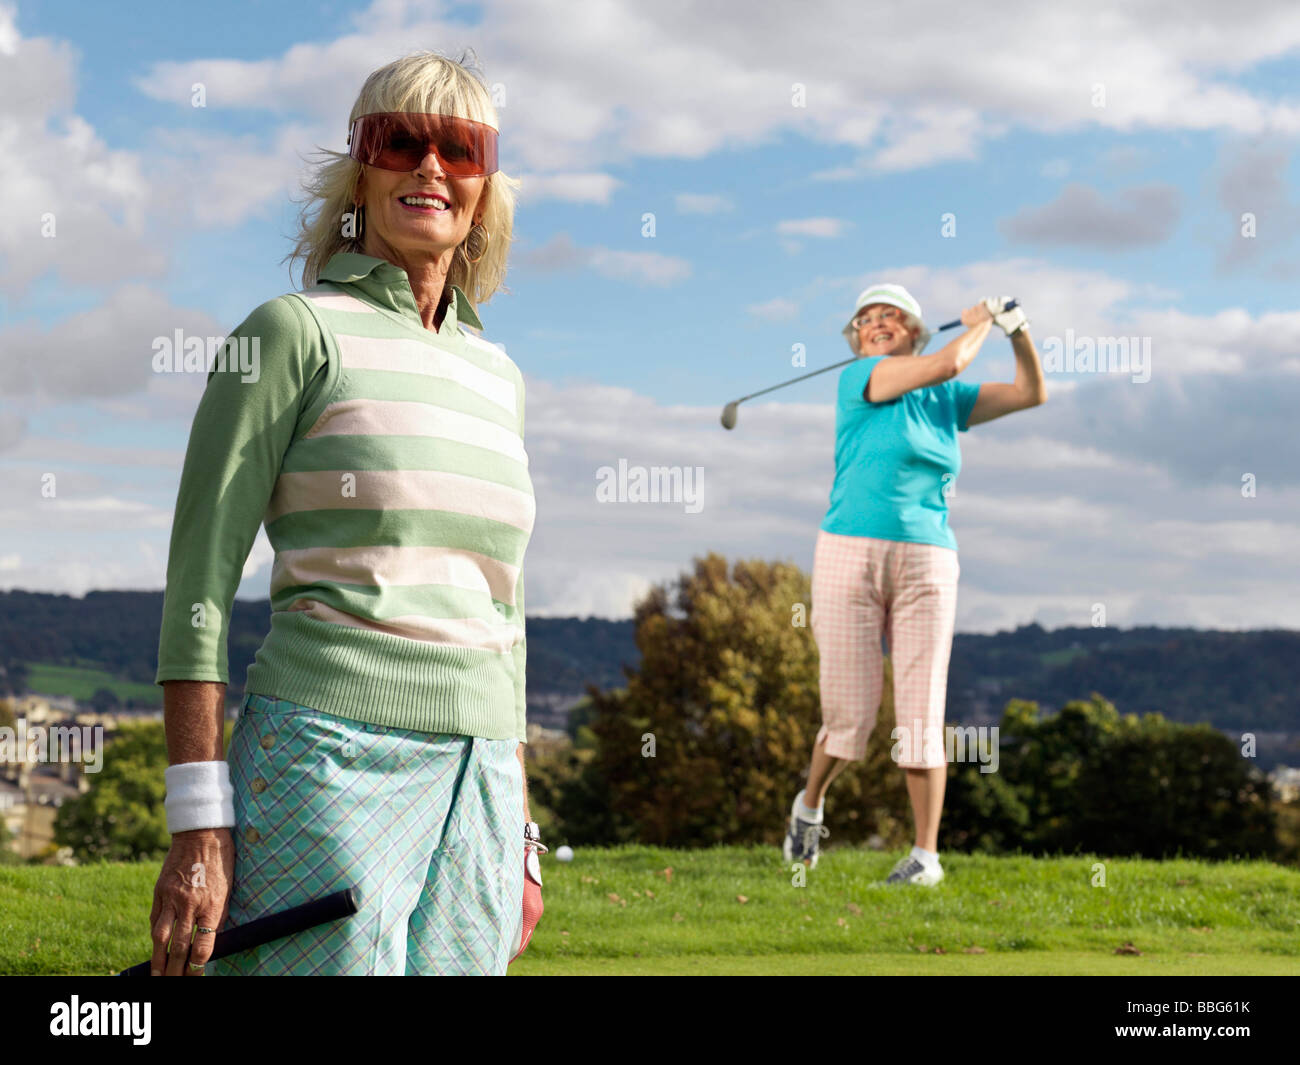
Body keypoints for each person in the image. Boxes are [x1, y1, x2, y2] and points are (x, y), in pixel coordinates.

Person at [149, 49, 543, 975]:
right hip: (325, 764)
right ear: (359, 170)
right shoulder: (292, 333)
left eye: (460, 147)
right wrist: (198, 823)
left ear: (487, 186)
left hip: (480, 781)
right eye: (399, 140)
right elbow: (198, 584)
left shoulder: (501, 376)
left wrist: (517, 827)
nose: (430, 167)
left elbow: (505, 612)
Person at [783, 283, 1046, 884]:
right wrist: (981, 321)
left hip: (928, 558)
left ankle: (925, 858)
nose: (877, 322)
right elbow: (953, 358)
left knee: (922, 714)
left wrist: (1018, 330)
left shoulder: (947, 399)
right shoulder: (861, 379)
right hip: (849, 550)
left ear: (913, 330)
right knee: (849, 718)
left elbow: (1033, 392)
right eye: (867, 318)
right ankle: (810, 805)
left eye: (892, 316)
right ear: (858, 338)